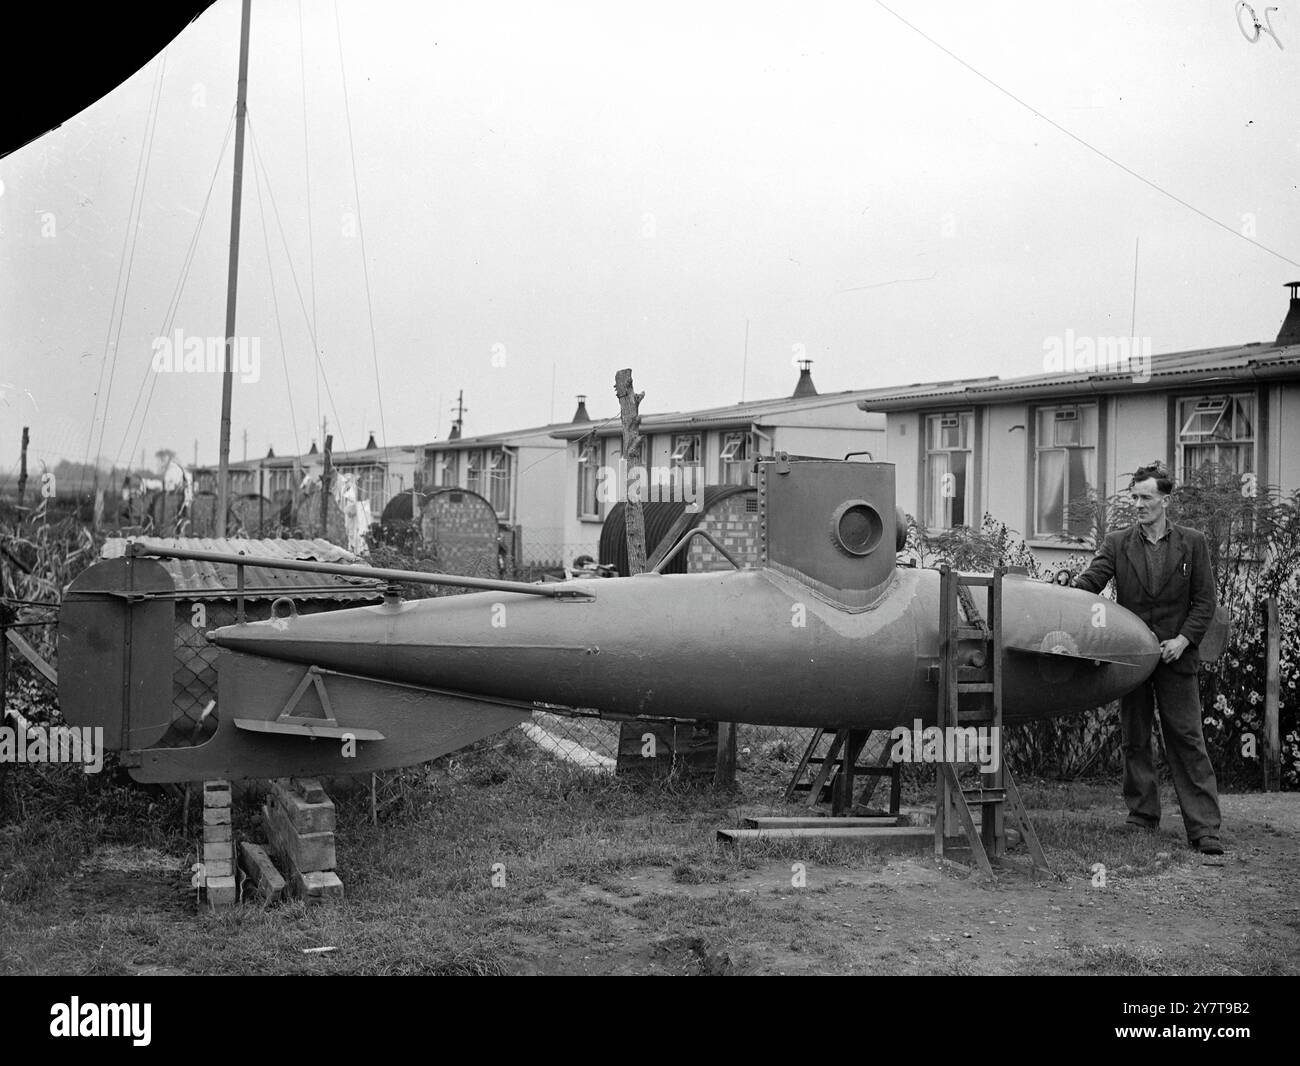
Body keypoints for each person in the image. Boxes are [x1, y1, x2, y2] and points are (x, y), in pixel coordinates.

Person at [1072, 461, 1224, 855]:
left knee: (1187, 739)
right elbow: (1092, 582)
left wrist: (1184, 640)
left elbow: (1205, 602)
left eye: (1146, 497)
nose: (1138, 504)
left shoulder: (1193, 543)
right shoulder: (1118, 542)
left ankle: (1204, 827)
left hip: (1177, 659)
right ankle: (1142, 815)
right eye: (1134, 497)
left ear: (1165, 500)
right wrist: (1066, 593)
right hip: (1133, 662)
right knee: (1135, 738)